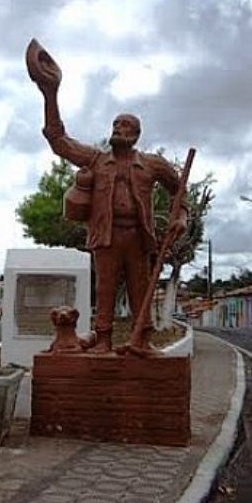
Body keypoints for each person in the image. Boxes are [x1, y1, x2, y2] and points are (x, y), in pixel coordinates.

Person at [38, 90, 187, 352]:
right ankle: (103, 340)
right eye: (115, 124)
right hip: (106, 234)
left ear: (136, 134)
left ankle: (141, 340)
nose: (118, 128)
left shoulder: (153, 164)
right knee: (105, 289)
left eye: (125, 124)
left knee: (140, 289)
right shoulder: (96, 159)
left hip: (138, 237)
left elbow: (180, 189)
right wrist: (50, 93)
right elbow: (59, 141)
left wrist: (182, 217)